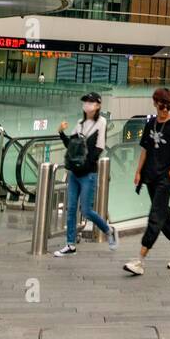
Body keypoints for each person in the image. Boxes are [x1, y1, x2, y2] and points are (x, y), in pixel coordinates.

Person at [123, 88, 170, 276]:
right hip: (150, 176)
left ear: (161, 103)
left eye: (159, 103)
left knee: (155, 216)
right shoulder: (151, 123)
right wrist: (138, 172)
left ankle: (140, 259)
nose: (159, 107)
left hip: (165, 178)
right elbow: (145, 149)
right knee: (164, 214)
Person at [53, 91, 117, 256]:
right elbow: (71, 146)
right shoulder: (79, 123)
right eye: (85, 102)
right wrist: (61, 133)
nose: (87, 104)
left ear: (97, 105)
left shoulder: (101, 122)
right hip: (74, 173)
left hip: (88, 174)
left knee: (86, 210)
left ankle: (108, 230)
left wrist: (86, 164)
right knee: (71, 208)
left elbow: (100, 147)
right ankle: (70, 244)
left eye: (90, 102)